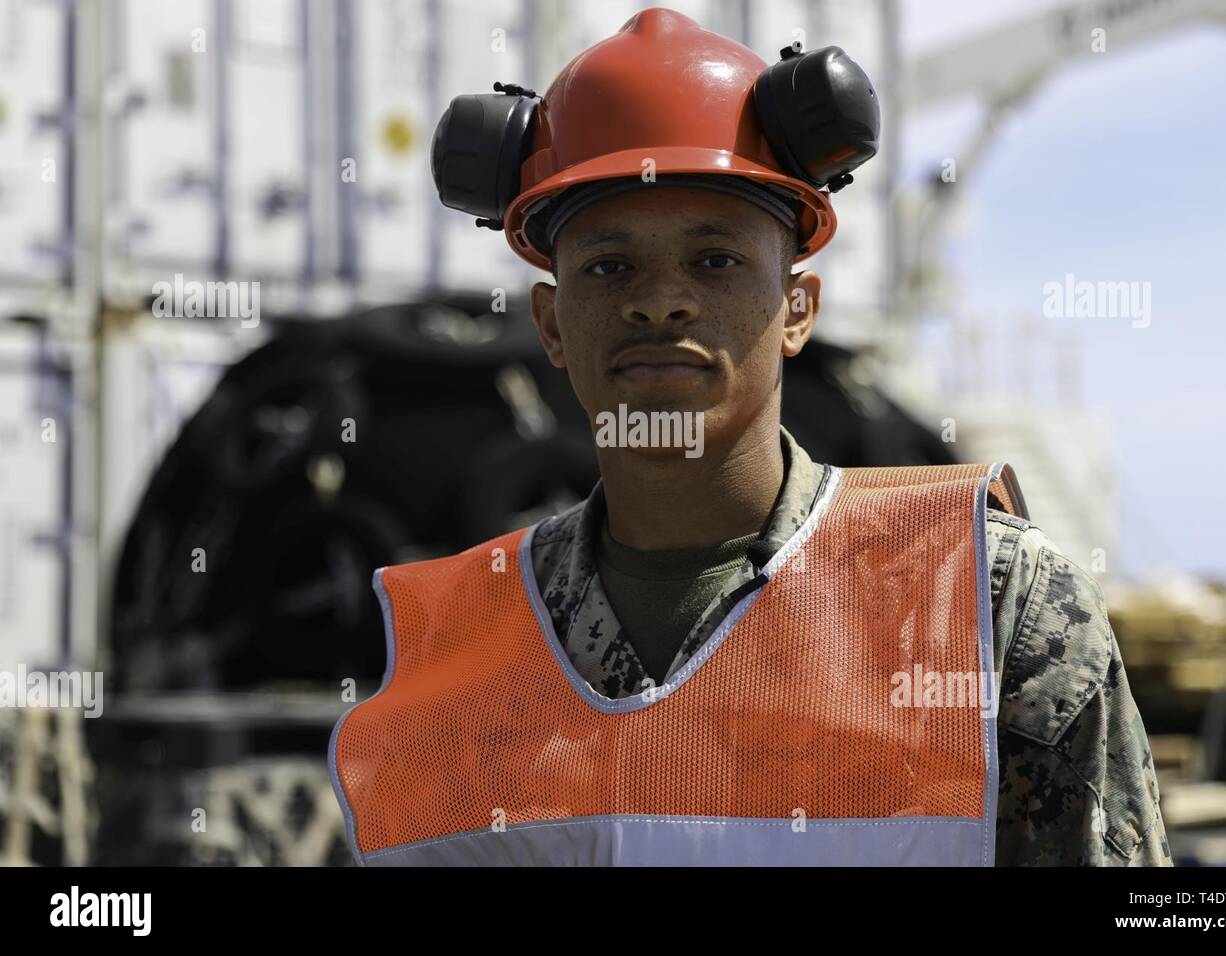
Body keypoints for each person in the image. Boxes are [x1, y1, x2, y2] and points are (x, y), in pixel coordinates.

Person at [330, 7, 1171, 867]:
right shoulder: (453, 652)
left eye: (715, 260)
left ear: (798, 310)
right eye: (609, 266)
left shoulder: (989, 604)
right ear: (550, 321)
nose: (660, 301)